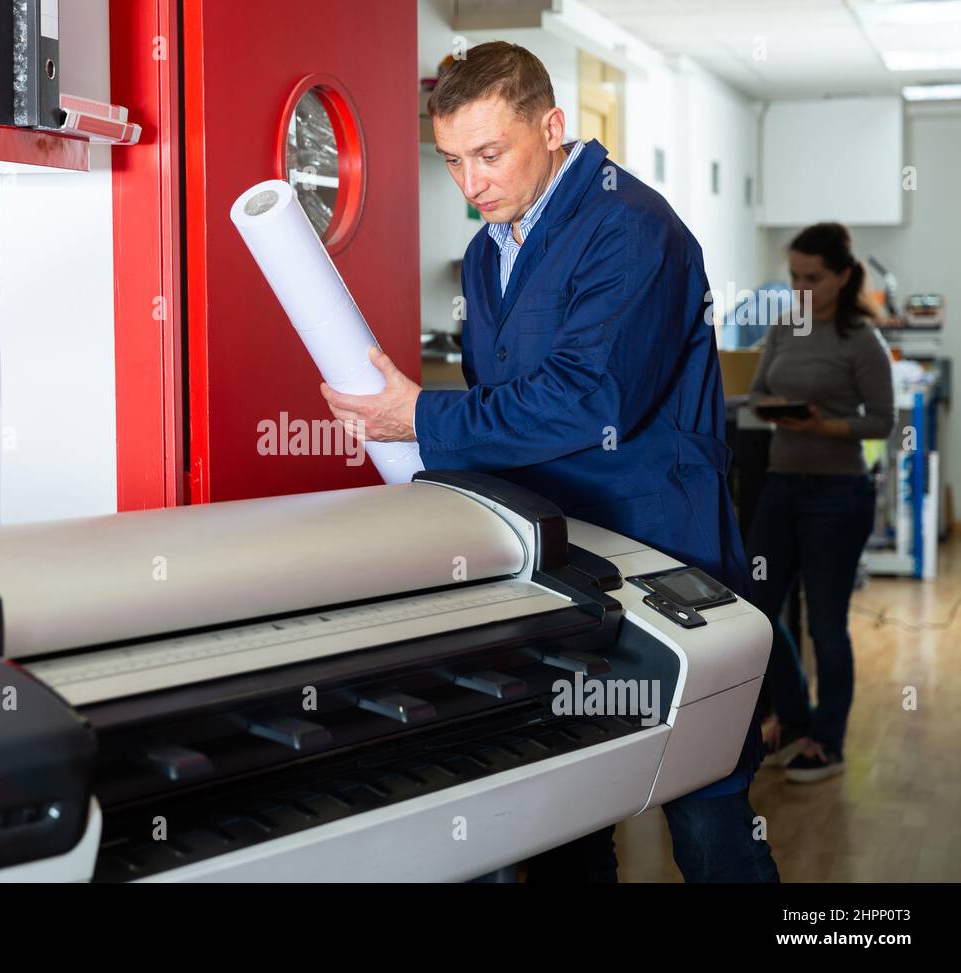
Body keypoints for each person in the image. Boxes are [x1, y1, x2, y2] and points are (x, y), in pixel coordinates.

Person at [320, 41, 778, 881]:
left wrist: (418, 414)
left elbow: (588, 399)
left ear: (553, 125)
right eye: (454, 160)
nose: (471, 182)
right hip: (564, 566)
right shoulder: (490, 252)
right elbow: (507, 409)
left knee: (708, 808)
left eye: (490, 154)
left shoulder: (632, 228)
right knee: (570, 805)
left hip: (664, 558)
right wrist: (419, 438)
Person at [746, 223, 896, 782]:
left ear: (843, 276)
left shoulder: (862, 340)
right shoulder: (786, 327)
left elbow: (883, 421)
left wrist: (821, 424)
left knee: (827, 628)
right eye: (794, 278)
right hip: (782, 485)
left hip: (837, 494)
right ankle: (795, 717)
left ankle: (826, 742)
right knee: (755, 609)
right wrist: (773, 408)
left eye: (813, 279)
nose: (801, 289)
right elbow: (759, 391)